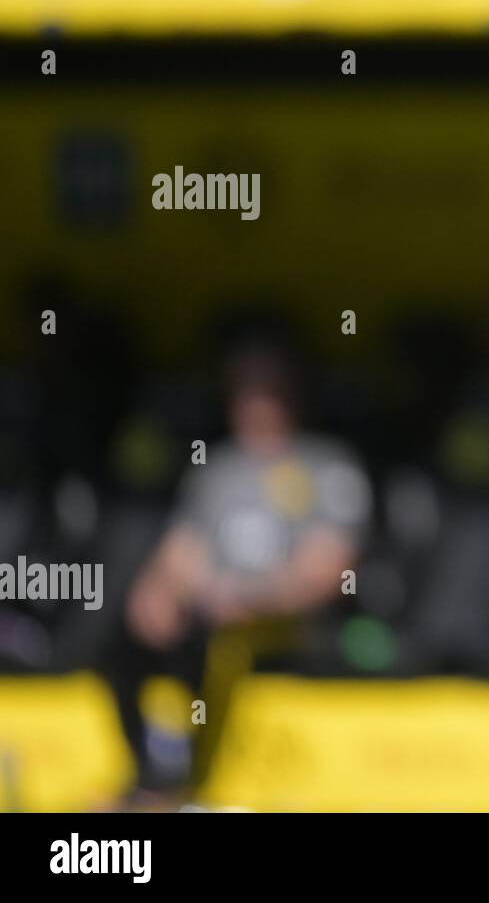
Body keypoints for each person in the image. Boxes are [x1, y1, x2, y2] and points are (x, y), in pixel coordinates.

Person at [107, 341, 371, 800]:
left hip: (286, 620)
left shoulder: (325, 463)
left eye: (266, 390)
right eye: (244, 390)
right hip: (213, 610)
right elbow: (180, 548)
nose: (254, 403)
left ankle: (192, 780)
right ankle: (147, 771)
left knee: (221, 644)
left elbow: (329, 567)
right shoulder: (215, 469)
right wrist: (158, 589)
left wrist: (254, 598)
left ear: (291, 395)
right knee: (120, 632)